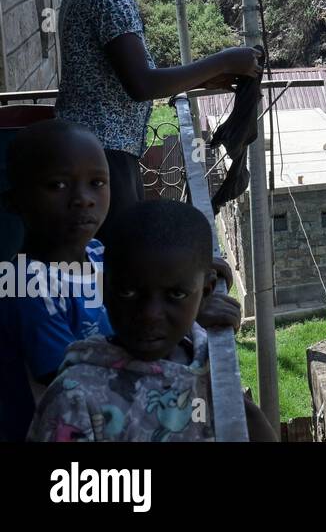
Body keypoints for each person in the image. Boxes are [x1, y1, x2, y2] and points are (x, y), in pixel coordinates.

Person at [0, 121, 243, 442]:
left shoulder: (99, 252)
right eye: (58, 185)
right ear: (14, 201)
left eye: (97, 182)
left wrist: (189, 269)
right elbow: (72, 378)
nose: (83, 199)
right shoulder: (24, 285)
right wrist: (188, 313)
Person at [53, 0, 262, 245]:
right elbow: (142, 84)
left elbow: (124, 76)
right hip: (103, 155)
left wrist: (209, 77)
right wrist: (225, 60)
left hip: (86, 149)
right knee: (119, 262)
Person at [26, 199, 276, 442]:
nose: (149, 314)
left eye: (176, 294)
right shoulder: (74, 398)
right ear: (104, 291)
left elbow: (244, 422)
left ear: (206, 292)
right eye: (129, 292)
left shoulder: (210, 363)